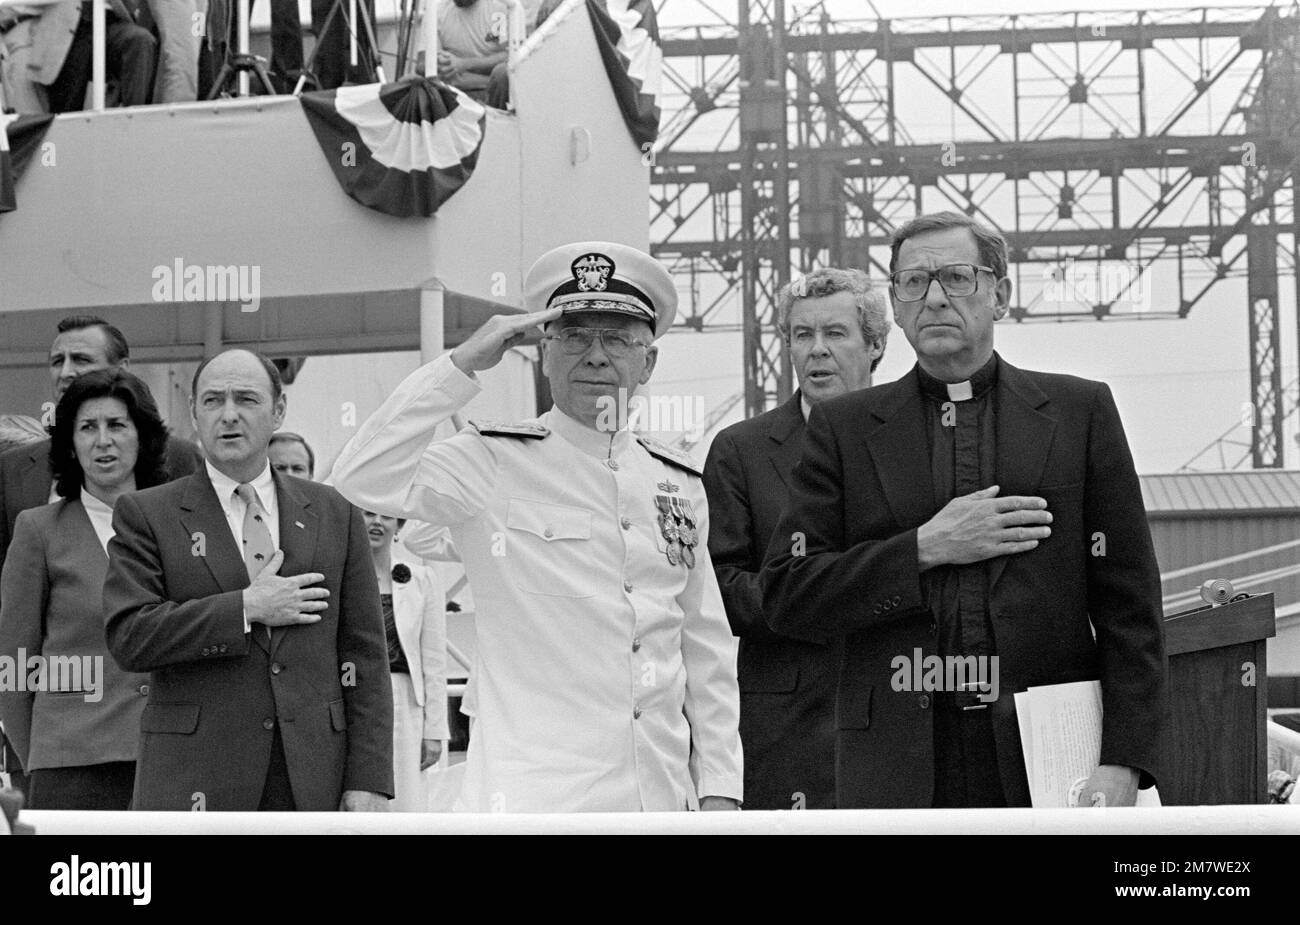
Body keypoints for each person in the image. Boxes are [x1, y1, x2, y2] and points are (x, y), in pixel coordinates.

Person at [761, 211, 1166, 809]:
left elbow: (1130, 607)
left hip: (1050, 756)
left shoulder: (1079, 413)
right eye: (912, 282)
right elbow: (788, 595)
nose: (934, 298)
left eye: (955, 277)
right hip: (897, 760)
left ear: (999, 294)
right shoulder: (845, 430)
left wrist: (1124, 759)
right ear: (895, 309)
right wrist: (924, 548)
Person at [331, 241, 742, 812]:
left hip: (659, 795)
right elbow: (360, 476)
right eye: (574, 337)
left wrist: (720, 787)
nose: (595, 357)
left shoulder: (677, 481)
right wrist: (460, 365)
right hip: (534, 800)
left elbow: (705, 647)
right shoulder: (491, 460)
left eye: (617, 339)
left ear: (648, 363)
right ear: (545, 355)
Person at [102, 349, 393, 811]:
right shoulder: (147, 514)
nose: (229, 415)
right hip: (195, 776)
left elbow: (365, 657)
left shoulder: (336, 511)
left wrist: (370, 779)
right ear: (194, 414)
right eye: (213, 401)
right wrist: (244, 607)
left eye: (246, 399)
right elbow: (131, 636)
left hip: (313, 776)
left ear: (278, 410)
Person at [702, 268, 888, 810]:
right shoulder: (741, 451)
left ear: (875, 344)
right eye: (802, 335)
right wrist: (830, 597)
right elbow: (719, 589)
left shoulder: (916, 440)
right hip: (785, 729)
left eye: (836, 334)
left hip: (902, 712)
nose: (817, 350)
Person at [0, 369, 168, 809]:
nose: (102, 441)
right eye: (87, 428)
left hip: (172, 757)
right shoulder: (38, 530)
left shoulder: (178, 525)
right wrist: (39, 757)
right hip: (72, 767)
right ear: (70, 444)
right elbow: (14, 665)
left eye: (116, 425)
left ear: (142, 436)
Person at [0, 315, 204, 587]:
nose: (66, 373)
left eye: (81, 360)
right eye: (58, 361)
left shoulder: (180, 458)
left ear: (123, 369)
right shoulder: (13, 467)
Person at [364, 511, 448, 812]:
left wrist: (435, 731)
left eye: (386, 516)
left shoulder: (421, 579)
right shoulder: (342, 576)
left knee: (408, 799)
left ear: (398, 526)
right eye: (367, 514)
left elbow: (434, 661)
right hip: (356, 698)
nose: (376, 522)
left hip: (405, 704)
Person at [28, 0, 155, 112]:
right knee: (68, 101)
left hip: (110, 22)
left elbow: (132, 5)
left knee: (140, 40)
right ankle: (65, 131)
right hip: (70, 24)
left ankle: (133, 118)